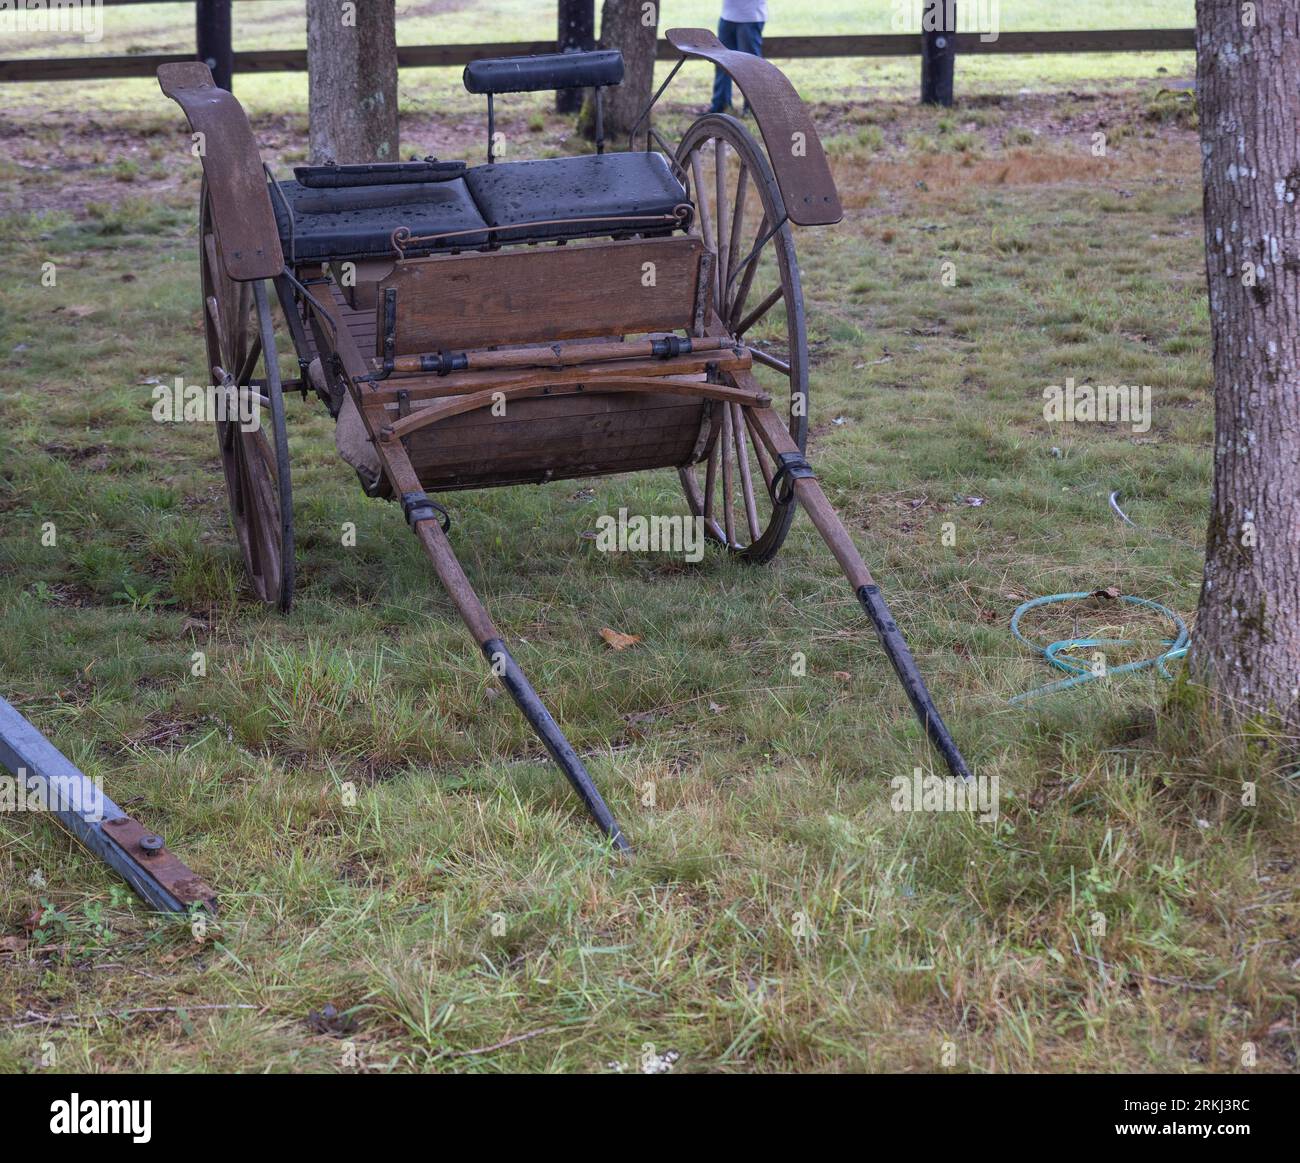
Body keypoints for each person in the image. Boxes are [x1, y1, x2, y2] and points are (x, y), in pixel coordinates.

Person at [709, 1, 767, 116]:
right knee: (722, 62)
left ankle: (753, 109)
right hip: (727, 16)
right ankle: (721, 106)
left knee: (750, 66)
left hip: (750, 17)